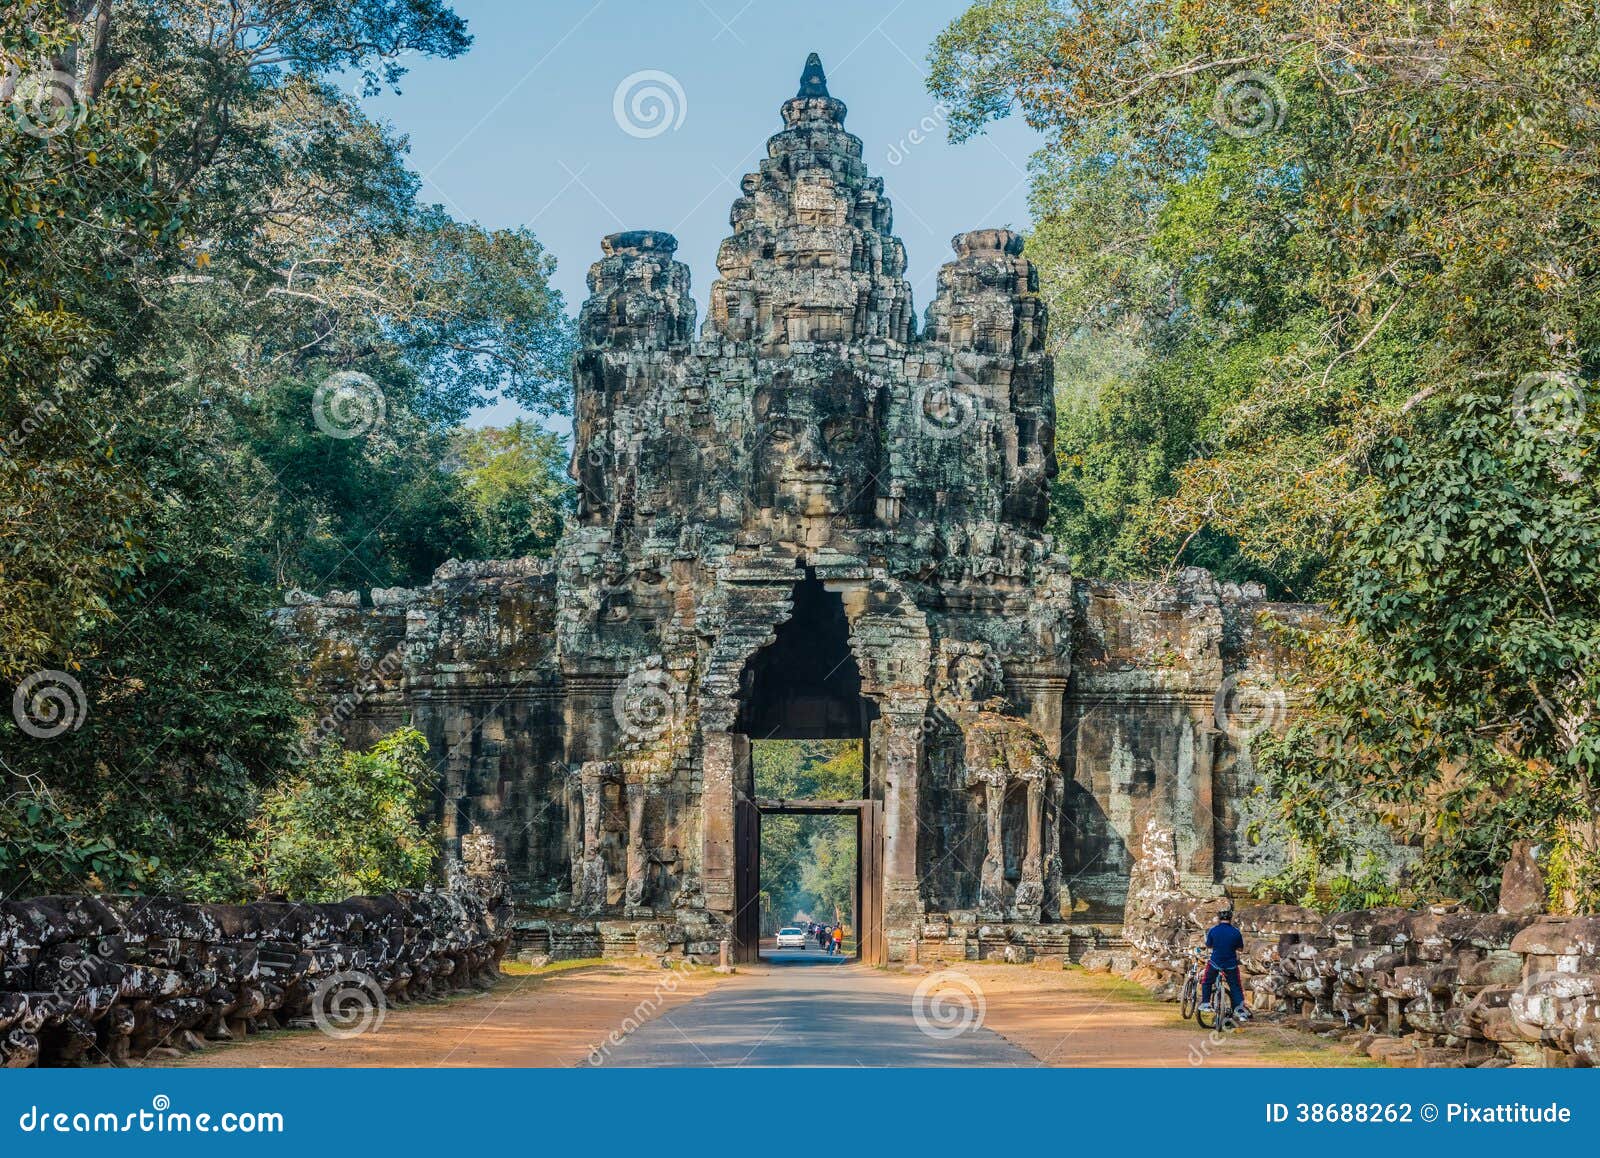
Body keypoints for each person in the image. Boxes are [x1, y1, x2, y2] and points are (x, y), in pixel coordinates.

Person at [1197, 906, 1249, 1021]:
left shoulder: (1213, 930)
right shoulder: (1236, 932)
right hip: (1231, 963)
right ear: (1231, 918)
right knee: (1235, 986)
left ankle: (1206, 1003)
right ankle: (1240, 1012)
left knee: (1207, 981)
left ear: (1219, 918)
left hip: (1215, 962)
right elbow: (1240, 949)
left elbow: (1209, 945)